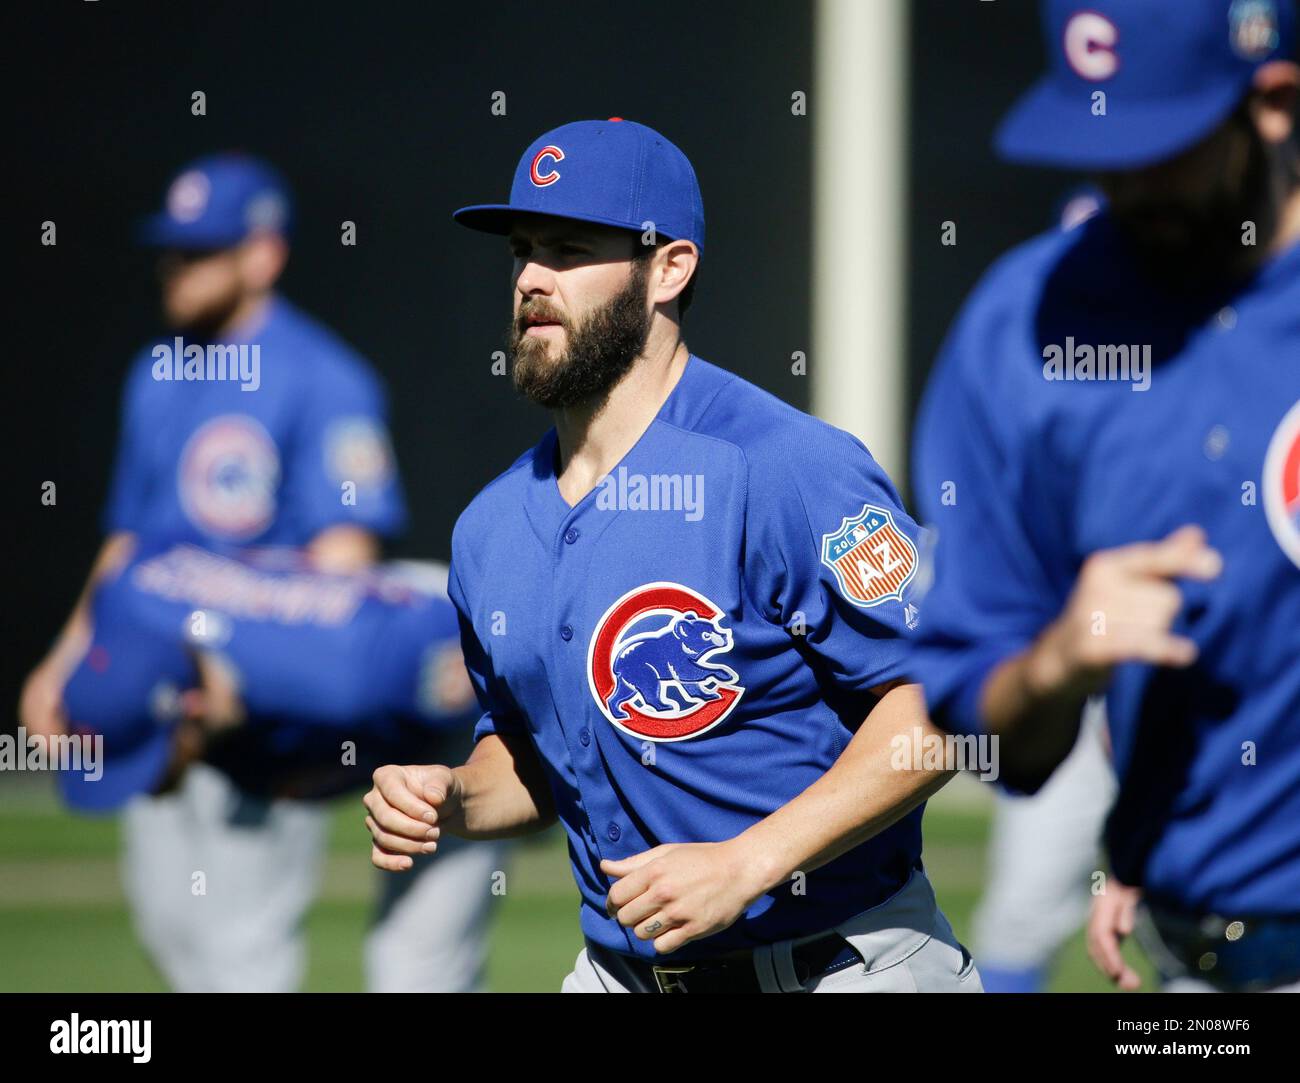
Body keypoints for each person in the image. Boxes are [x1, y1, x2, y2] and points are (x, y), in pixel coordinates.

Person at [364, 118, 981, 993]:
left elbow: (946, 696)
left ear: (670, 267)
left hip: (839, 965)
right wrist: (455, 798)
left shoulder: (782, 466)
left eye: (571, 249)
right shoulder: (489, 528)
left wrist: (750, 861)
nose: (533, 278)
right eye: (523, 250)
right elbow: (536, 753)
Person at [910, 0, 1300, 992]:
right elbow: (985, 725)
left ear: (1271, 102)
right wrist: (1056, 665)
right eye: (1097, 147)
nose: (1124, 183)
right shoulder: (1023, 326)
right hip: (1202, 969)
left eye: (1160, 144)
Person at [56, 539, 506, 993]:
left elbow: (494, 652)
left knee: (414, 968)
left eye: (144, 760)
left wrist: (517, 776)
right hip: (310, 685)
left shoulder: (358, 674)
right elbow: (129, 551)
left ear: (192, 710)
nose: (145, 788)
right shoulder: (124, 596)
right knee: (203, 942)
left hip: (443, 660)